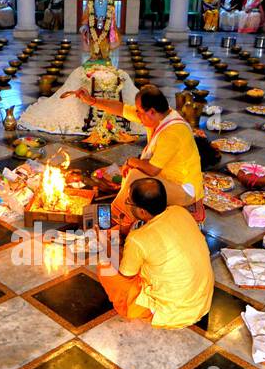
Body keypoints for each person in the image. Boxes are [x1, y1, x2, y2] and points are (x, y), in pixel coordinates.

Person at [64, 84, 203, 228]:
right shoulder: (160, 117)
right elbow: (121, 109)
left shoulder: (172, 132)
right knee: (133, 173)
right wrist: (92, 101)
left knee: (136, 177)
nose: (138, 115)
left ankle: (115, 219)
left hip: (184, 189)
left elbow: (152, 170)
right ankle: (122, 214)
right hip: (168, 177)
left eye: (140, 112)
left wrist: (131, 161)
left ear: (152, 111)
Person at [96, 178, 213, 329]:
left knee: (105, 268)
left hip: (172, 312)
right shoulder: (179, 211)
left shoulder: (137, 239)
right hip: (201, 301)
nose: (127, 203)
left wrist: (104, 243)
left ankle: (137, 309)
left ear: (142, 211)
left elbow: (126, 275)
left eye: (129, 202)